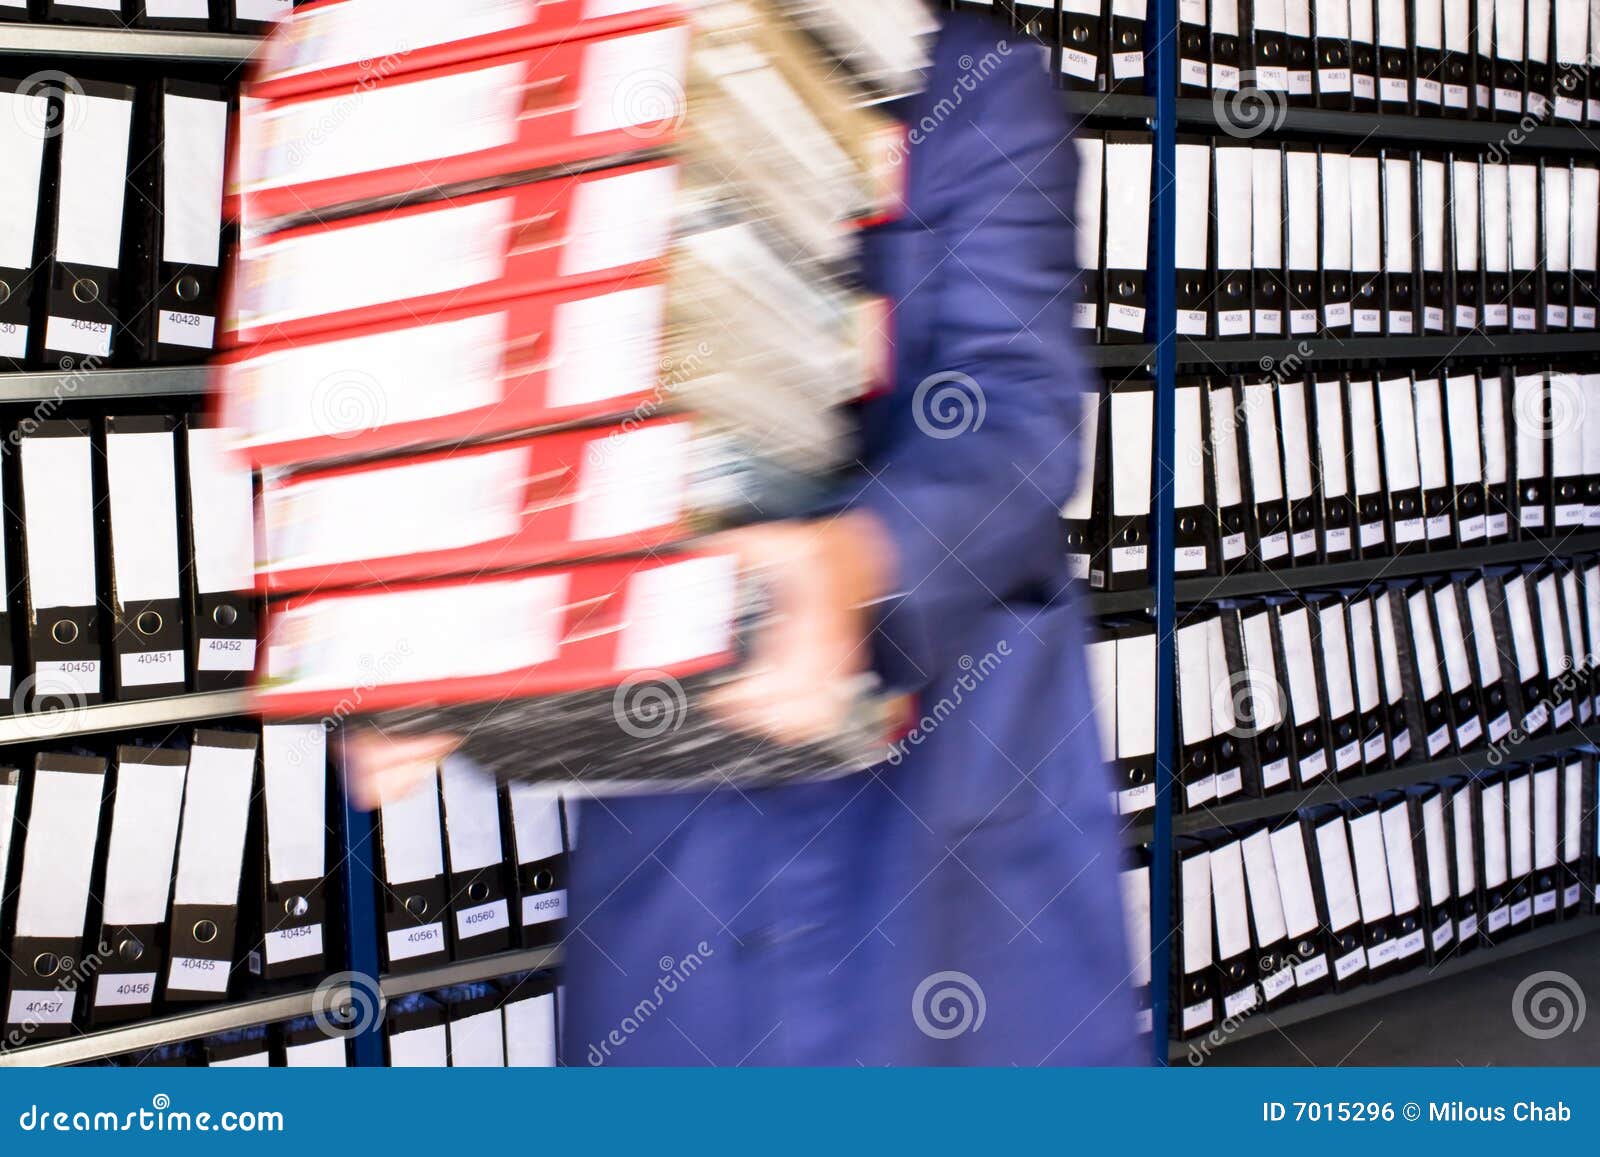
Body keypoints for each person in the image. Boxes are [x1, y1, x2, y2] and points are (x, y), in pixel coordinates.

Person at [348, 8, 1140, 1066]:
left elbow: (1020, 418)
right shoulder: (607, 75)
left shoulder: (975, 88)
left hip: (938, 797)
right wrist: (423, 635)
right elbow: (515, 398)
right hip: (679, 813)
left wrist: (855, 561)